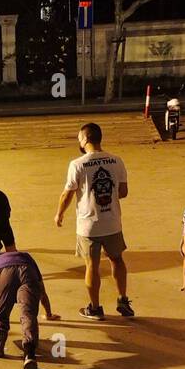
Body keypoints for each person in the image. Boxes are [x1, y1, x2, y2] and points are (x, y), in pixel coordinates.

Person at [54, 122, 132, 320]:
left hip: (88, 226)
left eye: (79, 138)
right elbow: (123, 192)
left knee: (92, 266)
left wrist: (60, 213)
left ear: (86, 139)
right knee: (117, 260)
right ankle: (123, 299)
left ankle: (95, 308)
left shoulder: (77, 164)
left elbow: (67, 194)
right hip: (113, 222)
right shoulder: (117, 160)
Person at [0, 236, 58, 369]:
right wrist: (48, 313)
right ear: (1, 244)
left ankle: (0, 329)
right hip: (26, 272)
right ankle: (29, 354)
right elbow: (41, 289)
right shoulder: (25, 256)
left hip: (3, 275)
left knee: (0, 313)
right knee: (28, 314)